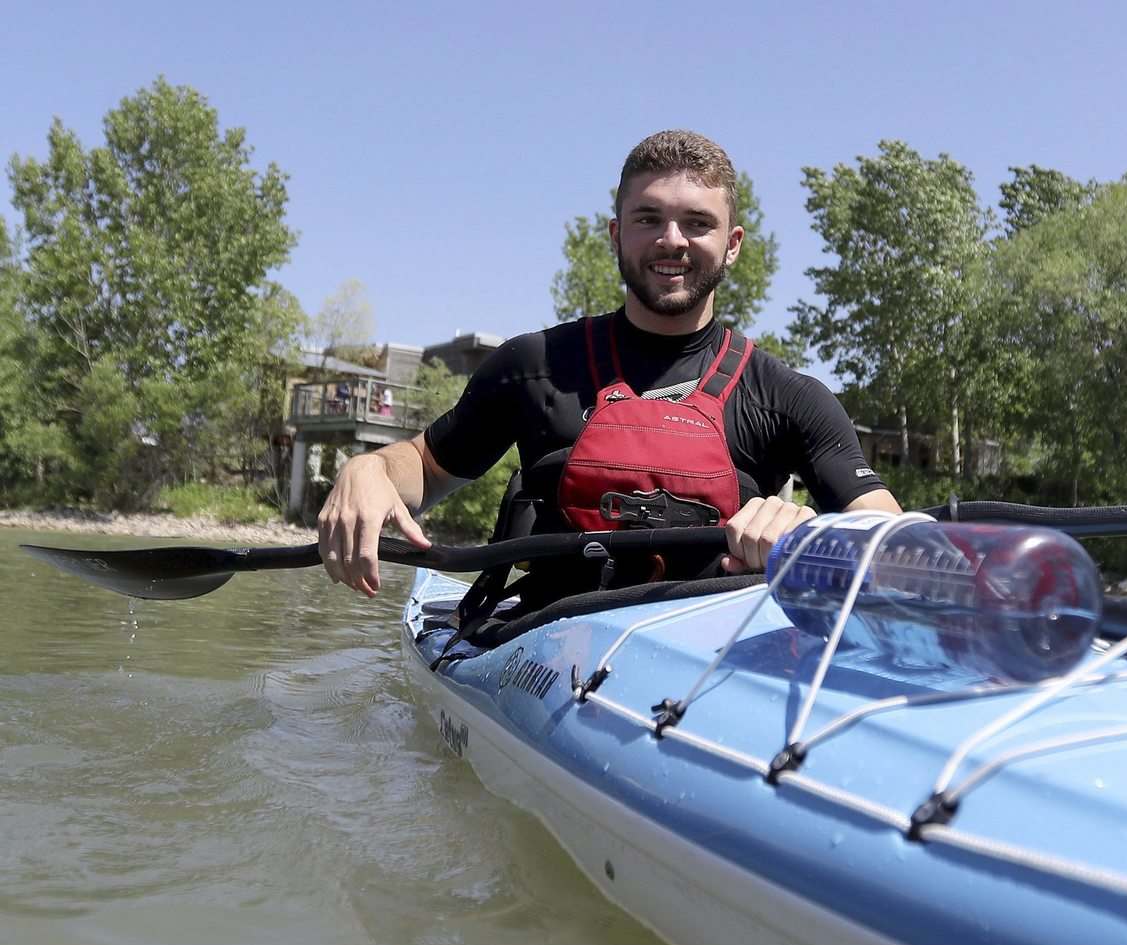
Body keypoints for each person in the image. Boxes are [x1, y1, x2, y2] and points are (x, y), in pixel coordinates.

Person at [318, 129, 899, 597]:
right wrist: (368, 470)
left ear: (734, 243)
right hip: (544, 653)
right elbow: (420, 467)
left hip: (716, 663)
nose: (672, 240)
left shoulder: (788, 396)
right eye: (649, 219)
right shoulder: (532, 366)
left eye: (698, 223)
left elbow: (891, 537)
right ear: (617, 234)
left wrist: (815, 533)